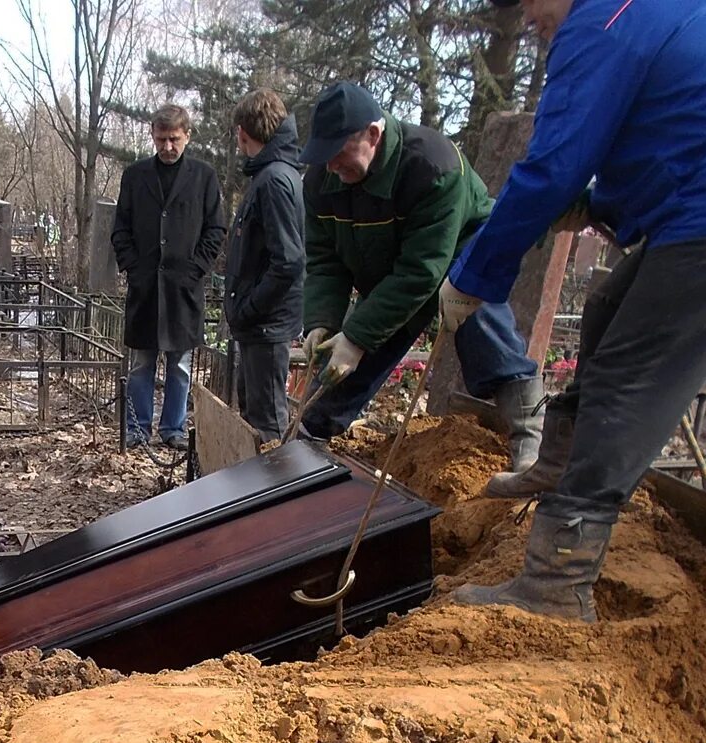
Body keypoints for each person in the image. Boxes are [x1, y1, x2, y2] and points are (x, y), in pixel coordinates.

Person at [442, 0, 706, 621]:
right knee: (606, 306)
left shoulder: (604, 21)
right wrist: (596, 204)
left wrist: (474, 276)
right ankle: (560, 460)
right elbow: (670, 129)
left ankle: (555, 582)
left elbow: (552, 162)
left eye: (533, 6)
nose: (532, 20)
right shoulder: (639, 12)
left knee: (631, 377)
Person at [297, 82, 543, 466]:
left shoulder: (433, 165)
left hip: (458, 256)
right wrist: (322, 322)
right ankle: (309, 435)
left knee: (484, 329)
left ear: (373, 135)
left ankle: (529, 436)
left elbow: (421, 271)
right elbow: (326, 260)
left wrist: (358, 336)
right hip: (390, 269)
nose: (330, 165)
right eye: (323, 155)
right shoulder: (321, 182)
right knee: (351, 354)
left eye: (337, 153)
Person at [111, 104, 227, 449]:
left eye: (174, 139)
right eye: (161, 139)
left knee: (180, 365)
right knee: (141, 363)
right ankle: (137, 427)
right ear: (152, 135)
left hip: (184, 289)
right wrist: (133, 267)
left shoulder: (204, 177)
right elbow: (121, 229)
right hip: (145, 287)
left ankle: (173, 429)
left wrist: (195, 270)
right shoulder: (135, 176)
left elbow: (215, 229)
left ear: (187, 136)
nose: (167, 147)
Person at [223, 88, 303, 444]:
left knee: (268, 425)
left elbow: (288, 260)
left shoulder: (273, 180)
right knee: (255, 418)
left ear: (242, 132)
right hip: (260, 325)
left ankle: (275, 496)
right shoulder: (271, 175)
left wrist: (250, 308)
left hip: (267, 325)